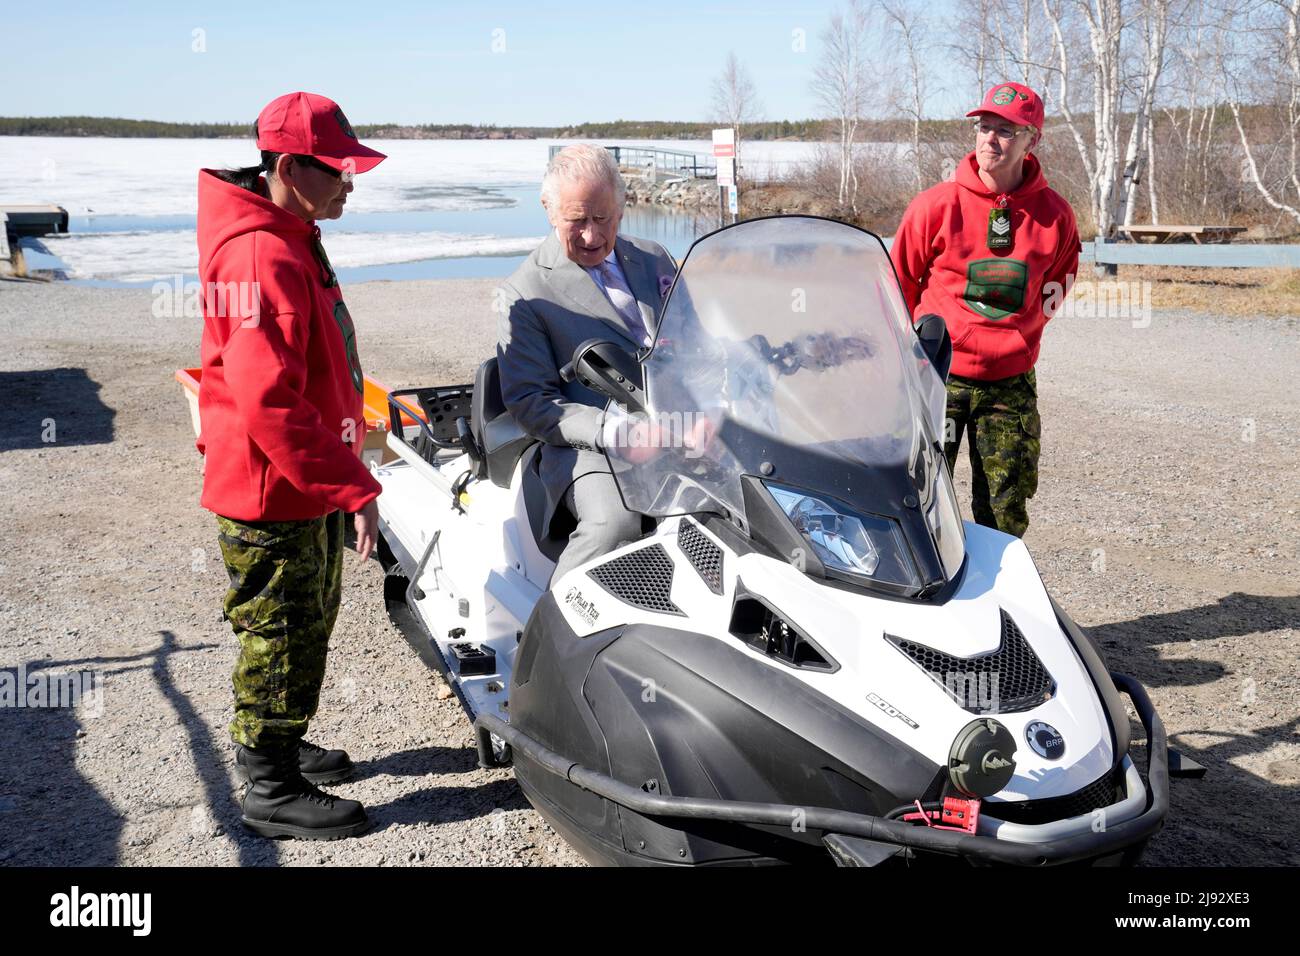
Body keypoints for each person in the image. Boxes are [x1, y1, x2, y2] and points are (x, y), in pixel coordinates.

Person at [196, 91, 387, 840]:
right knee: (278, 629)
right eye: (336, 166)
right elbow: (267, 400)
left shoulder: (292, 229)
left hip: (302, 484)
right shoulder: (258, 251)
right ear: (286, 167)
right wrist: (352, 484)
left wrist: (340, 470)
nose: (349, 180)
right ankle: (269, 783)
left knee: (309, 621)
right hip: (271, 491)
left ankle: (282, 739)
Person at [890, 81, 1080, 538]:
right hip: (938, 378)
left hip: (1009, 384)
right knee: (915, 503)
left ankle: (997, 605)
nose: (990, 140)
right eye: (984, 127)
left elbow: (1058, 283)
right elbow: (900, 282)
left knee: (1005, 514)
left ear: (1033, 140)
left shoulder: (1055, 215)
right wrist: (920, 346)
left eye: (1006, 131)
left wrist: (1018, 336)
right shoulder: (935, 205)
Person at [496, 145, 677, 582]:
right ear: (549, 210)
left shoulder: (654, 258)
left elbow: (702, 341)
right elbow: (530, 401)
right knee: (614, 525)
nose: (592, 236)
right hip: (585, 444)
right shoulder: (524, 291)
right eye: (577, 221)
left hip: (677, 424)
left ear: (621, 207)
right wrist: (614, 432)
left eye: (603, 219)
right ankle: (551, 637)